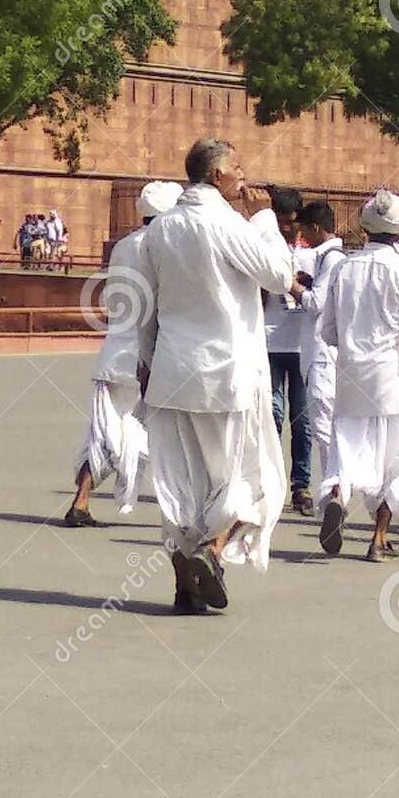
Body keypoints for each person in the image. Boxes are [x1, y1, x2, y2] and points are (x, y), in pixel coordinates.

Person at [138, 139, 294, 614]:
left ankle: (185, 589)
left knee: (181, 483)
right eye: (236, 168)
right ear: (216, 175)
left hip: (171, 370)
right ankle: (214, 547)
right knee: (254, 474)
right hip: (227, 373)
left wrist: (145, 363)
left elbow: (148, 306)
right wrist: (265, 220)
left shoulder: (160, 229)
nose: (243, 176)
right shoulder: (227, 222)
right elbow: (280, 275)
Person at [316, 190, 399, 561]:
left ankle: (338, 495)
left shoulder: (343, 268)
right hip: (393, 379)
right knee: (394, 458)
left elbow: (328, 333)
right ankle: (378, 538)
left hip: (350, 376)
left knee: (347, 447)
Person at [63, 181, 183, 527]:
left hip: (114, 350)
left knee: (101, 433)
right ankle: (185, 515)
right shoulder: (166, 248)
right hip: (151, 354)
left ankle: (81, 501)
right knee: (167, 433)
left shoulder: (122, 248)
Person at [250, 186, 316, 515]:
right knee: (272, 415)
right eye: (282, 222)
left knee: (302, 420)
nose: (287, 228)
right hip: (270, 341)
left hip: (301, 344)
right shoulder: (262, 248)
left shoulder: (312, 254)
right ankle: (269, 482)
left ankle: (301, 485)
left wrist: (302, 283)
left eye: (292, 222)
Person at [294, 201, 346, 502]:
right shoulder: (327, 259)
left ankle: (334, 492)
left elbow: (316, 304)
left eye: (304, 231)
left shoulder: (332, 258)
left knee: (324, 427)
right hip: (319, 354)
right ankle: (334, 489)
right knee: (324, 426)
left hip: (323, 355)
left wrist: (291, 286)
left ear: (315, 229)